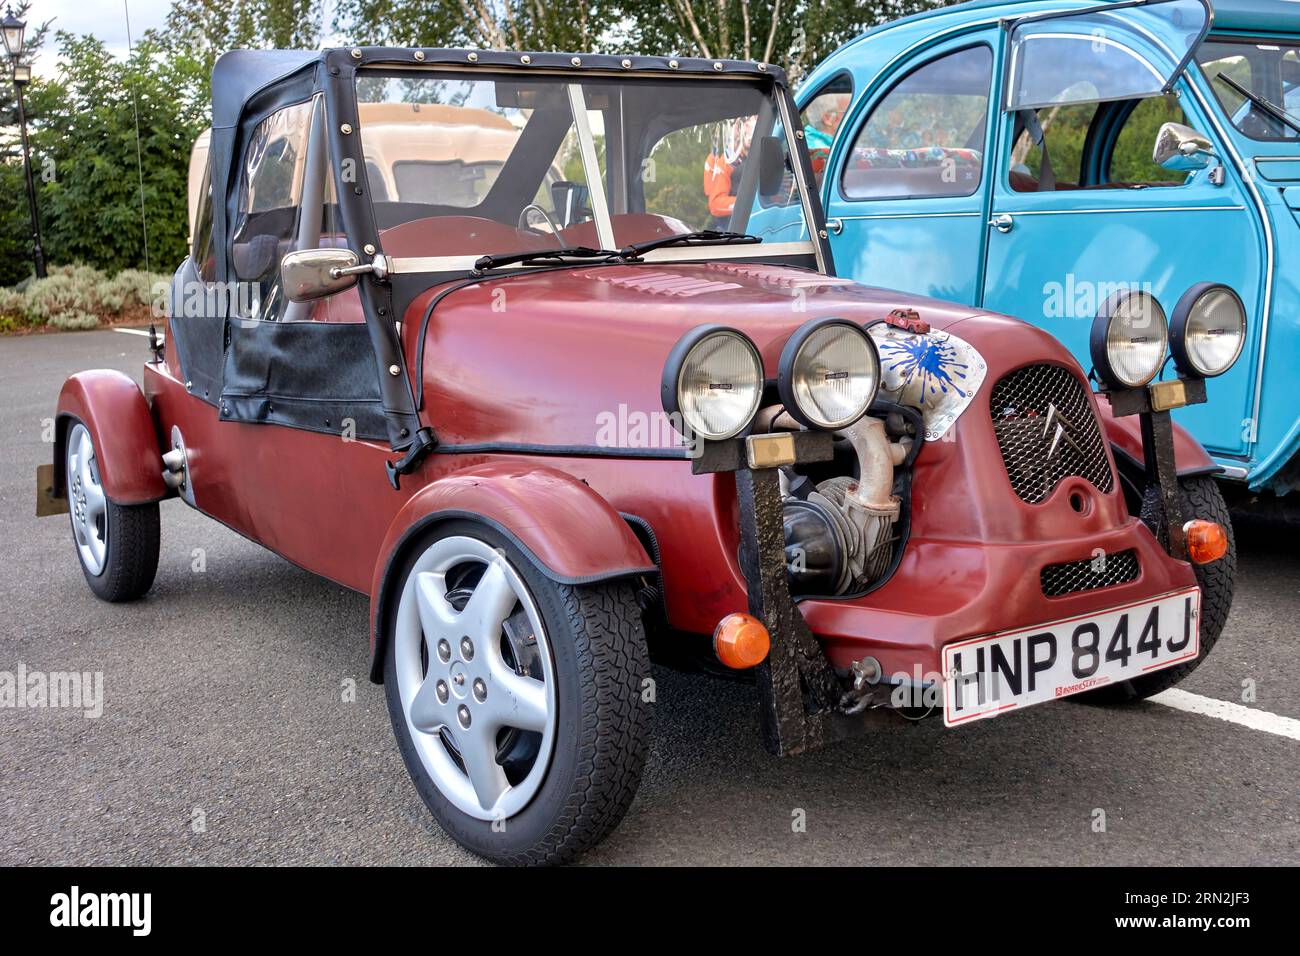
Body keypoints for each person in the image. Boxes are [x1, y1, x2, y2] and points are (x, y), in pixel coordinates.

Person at [703, 115, 756, 229]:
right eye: (742, 122)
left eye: (753, 119)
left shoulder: (765, 155)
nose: (746, 125)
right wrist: (750, 203)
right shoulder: (728, 160)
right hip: (733, 231)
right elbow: (716, 205)